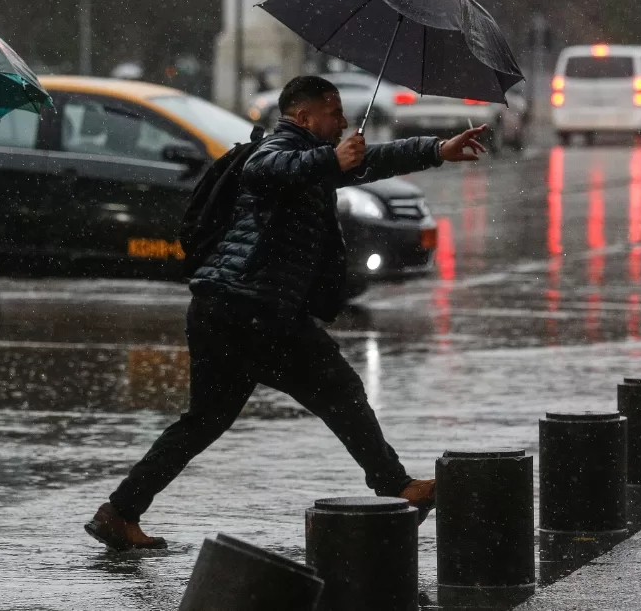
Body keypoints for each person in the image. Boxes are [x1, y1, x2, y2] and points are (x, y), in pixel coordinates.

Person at [86, 76, 488, 550]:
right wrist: (327, 158)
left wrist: (437, 149)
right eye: (332, 112)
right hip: (255, 310)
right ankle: (395, 485)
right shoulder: (280, 150)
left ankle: (120, 512)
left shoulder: (314, 161)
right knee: (339, 389)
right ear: (302, 117)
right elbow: (265, 169)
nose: (341, 122)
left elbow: (372, 161)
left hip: (225, 308)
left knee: (204, 421)